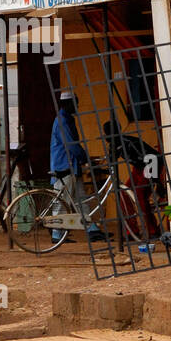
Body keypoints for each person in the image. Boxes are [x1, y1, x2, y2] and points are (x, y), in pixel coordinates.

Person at [49, 92, 103, 242]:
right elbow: (71, 145)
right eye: (75, 103)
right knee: (62, 201)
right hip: (64, 165)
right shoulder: (63, 121)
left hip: (72, 165)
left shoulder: (67, 119)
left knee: (81, 199)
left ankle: (92, 229)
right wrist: (85, 158)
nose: (77, 107)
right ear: (68, 104)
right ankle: (56, 233)